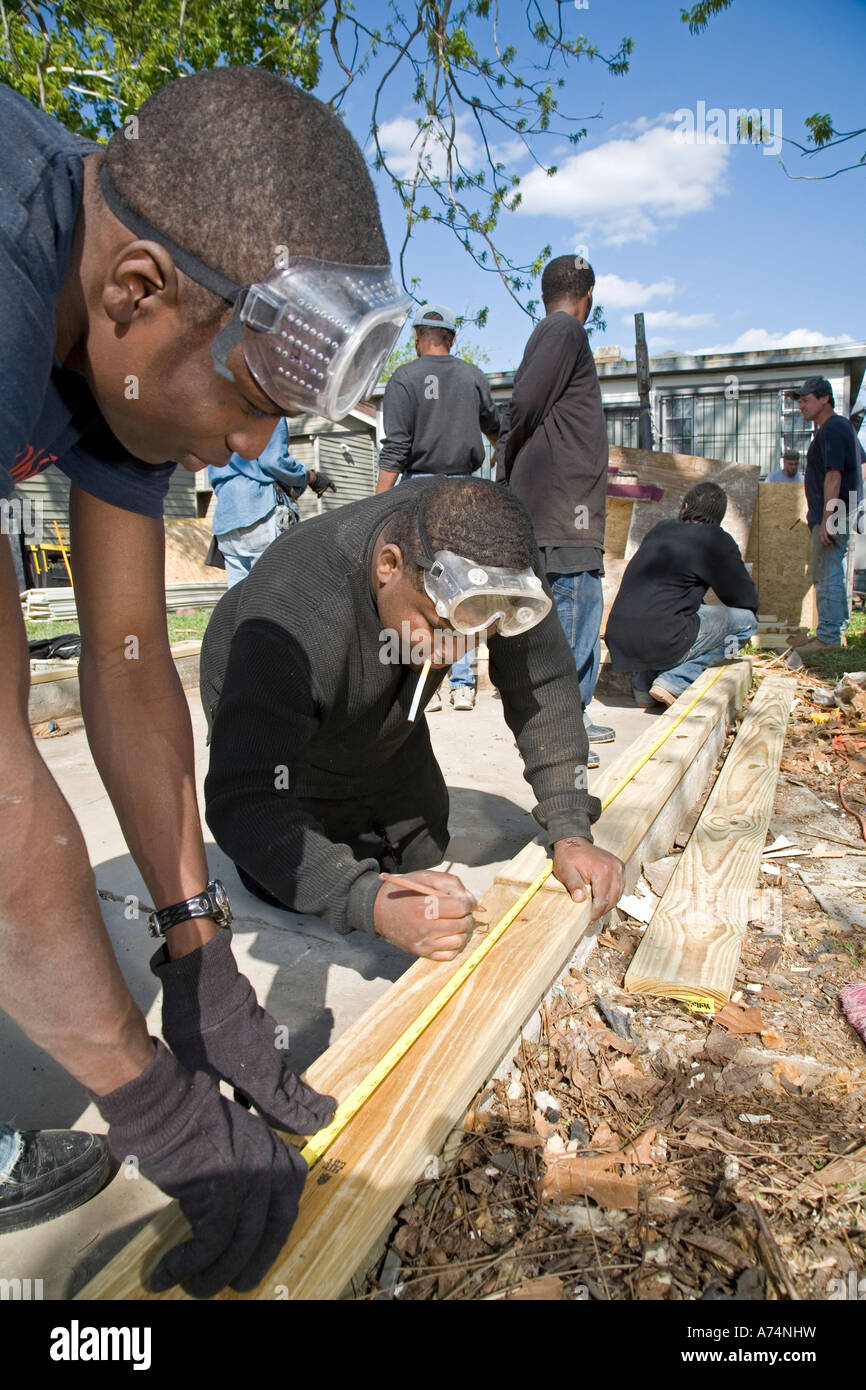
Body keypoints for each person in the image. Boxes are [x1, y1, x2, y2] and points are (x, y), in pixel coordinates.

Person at [0, 67, 411, 1294]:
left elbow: (127, 658)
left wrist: (196, 944)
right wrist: (149, 1098)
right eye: (247, 400)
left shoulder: (123, 309)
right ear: (141, 291)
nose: (252, 450)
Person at [200, 478, 625, 950]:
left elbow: (542, 686)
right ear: (389, 565)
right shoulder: (294, 614)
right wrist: (366, 901)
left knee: (419, 849)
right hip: (285, 714)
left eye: (474, 635)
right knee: (288, 876)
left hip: (381, 718)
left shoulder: (493, 556)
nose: (451, 653)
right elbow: (244, 795)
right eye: (438, 626)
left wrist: (570, 829)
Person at [496, 255, 613, 767]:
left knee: (573, 613)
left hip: (562, 511)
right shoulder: (565, 330)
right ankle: (563, 734)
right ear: (587, 294)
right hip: (566, 513)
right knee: (573, 617)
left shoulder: (551, 334)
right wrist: (503, 467)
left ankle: (569, 721)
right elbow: (521, 405)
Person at [376, 304, 500, 710]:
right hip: (465, 493)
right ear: (451, 338)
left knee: (417, 586)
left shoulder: (405, 378)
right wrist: (499, 451)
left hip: (418, 493)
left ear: (417, 337)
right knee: (462, 588)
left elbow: (395, 448)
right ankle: (461, 684)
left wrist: (378, 506)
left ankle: (421, 683)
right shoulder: (472, 377)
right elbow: (497, 426)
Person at [605, 482, 759, 707]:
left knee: (666, 618)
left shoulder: (661, 529)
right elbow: (744, 600)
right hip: (663, 636)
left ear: (685, 505)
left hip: (619, 637)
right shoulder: (715, 539)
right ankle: (675, 680)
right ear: (719, 517)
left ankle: (643, 687)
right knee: (746, 623)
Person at [786, 377, 863, 655]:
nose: (801, 407)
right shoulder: (843, 428)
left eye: (805, 400)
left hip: (834, 513)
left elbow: (834, 474)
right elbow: (862, 465)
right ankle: (836, 631)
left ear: (824, 399)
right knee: (834, 569)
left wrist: (829, 518)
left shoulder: (831, 429)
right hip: (845, 510)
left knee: (826, 571)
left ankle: (828, 638)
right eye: (799, 402)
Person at [209, 419, 336, 586]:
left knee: (238, 600)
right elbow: (274, 460)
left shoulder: (217, 411)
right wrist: (308, 477)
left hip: (227, 515)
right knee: (274, 593)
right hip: (260, 510)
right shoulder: (267, 408)